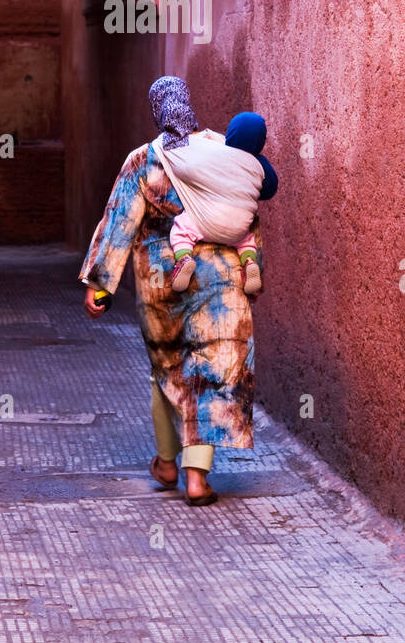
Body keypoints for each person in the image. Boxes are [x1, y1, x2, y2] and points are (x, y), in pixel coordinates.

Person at [80, 76, 262, 508]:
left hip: (162, 279)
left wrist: (99, 286)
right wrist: (251, 264)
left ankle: (167, 463)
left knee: (169, 373)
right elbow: (245, 208)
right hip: (222, 274)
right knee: (212, 372)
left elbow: (120, 221)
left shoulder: (145, 159)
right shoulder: (221, 149)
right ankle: (197, 477)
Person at [159, 111, 278, 296]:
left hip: (209, 222)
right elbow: (270, 189)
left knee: (182, 228)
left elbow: (189, 169)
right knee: (247, 240)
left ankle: (184, 258)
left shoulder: (217, 152)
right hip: (239, 226)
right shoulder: (259, 165)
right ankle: (249, 262)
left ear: (231, 133)